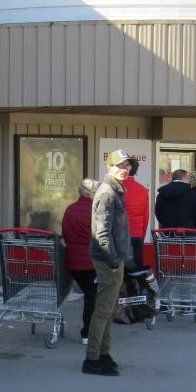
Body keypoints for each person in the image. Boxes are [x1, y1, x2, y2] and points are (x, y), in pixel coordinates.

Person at [85, 150, 136, 376]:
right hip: (108, 260)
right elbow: (102, 233)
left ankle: (104, 354)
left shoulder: (116, 191)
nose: (125, 169)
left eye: (127, 166)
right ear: (109, 168)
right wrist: (114, 261)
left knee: (109, 310)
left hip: (114, 259)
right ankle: (92, 359)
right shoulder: (107, 193)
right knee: (103, 310)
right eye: (120, 165)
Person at [61, 179, 102, 345]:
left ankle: (89, 331)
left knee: (90, 294)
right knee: (92, 297)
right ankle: (87, 333)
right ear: (91, 194)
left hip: (73, 262)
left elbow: (65, 232)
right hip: (92, 262)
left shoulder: (70, 209)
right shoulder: (96, 210)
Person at [123, 158, 150, 267]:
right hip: (137, 234)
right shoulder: (143, 190)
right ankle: (136, 284)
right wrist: (142, 236)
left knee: (121, 269)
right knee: (137, 267)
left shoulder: (116, 188)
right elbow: (146, 216)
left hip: (119, 234)